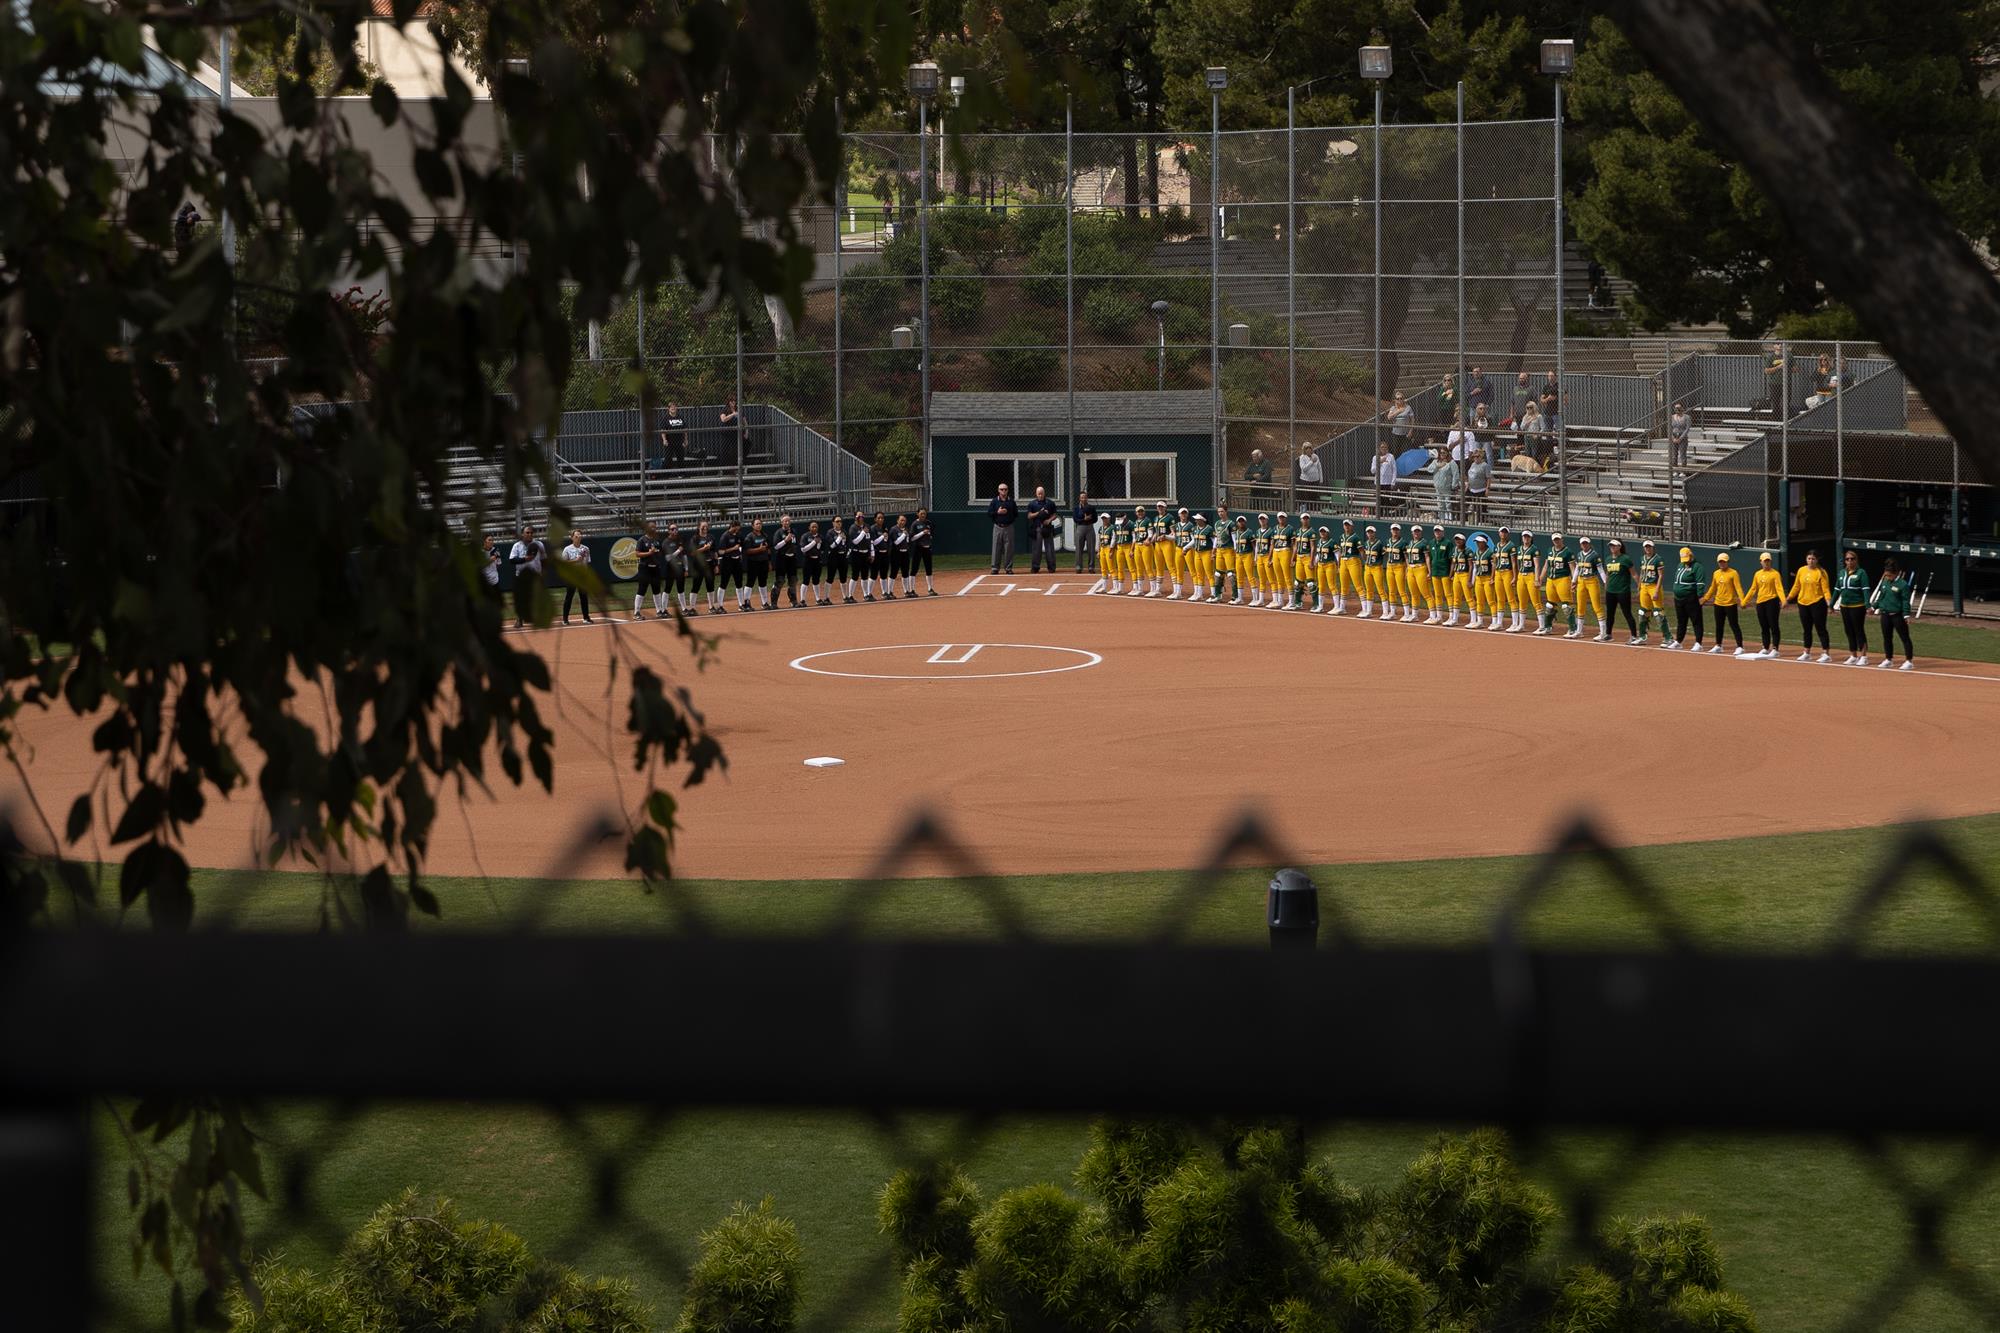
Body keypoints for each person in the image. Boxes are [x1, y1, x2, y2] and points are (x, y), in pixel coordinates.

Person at [1787, 549, 1831, 661]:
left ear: (1817, 560)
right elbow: (1796, 586)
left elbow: (1825, 590)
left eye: (1813, 559)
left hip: (1817, 603)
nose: (1811, 561)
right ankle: (1806, 652)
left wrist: (1829, 604)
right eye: (1809, 558)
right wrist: (1788, 599)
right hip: (1803, 603)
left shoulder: (1821, 572)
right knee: (1806, 629)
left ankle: (1825, 653)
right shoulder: (1801, 570)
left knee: (1820, 628)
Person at [1700, 550, 1748, 655]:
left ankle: (1740, 646)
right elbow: (1712, 588)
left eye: (1724, 562)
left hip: (1730, 603)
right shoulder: (1716, 573)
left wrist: (1742, 600)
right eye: (1720, 562)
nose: (1722, 564)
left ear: (1727, 562)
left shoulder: (1733, 573)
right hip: (1718, 603)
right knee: (1719, 625)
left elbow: (1738, 588)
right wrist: (1705, 598)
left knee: (1734, 624)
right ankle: (1718, 645)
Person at [1875, 559, 1916, 670]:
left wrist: (1906, 615)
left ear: (1895, 574)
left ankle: (1909, 661)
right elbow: (1881, 597)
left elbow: (1905, 601)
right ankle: (1888, 659)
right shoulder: (1885, 582)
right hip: (1885, 615)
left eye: (1889, 575)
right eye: (1886, 575)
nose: (1887, 577)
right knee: (1887, 638)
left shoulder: (1902, 585)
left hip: (1897, 616)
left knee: (1904, 638)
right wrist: (1874, 606)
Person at [1834, 549, 1871, 664]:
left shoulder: (1861, 573)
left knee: (1858, 630)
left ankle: (1863, 656)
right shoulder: (1841, 573)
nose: (1850, 561)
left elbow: (1865, 590)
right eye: (1847, 559)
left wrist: (1867, 605)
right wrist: (1831, 604)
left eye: (1852, 559)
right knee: (1848, 630)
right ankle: (1853, 655)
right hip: (1845, 606)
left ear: (1856, 560)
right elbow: (1837, 589)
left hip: (1857, 606)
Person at [1664, 546, 1705, 651]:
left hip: (1691, 598)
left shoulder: (1697, 567)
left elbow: (1700, 583)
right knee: (1681, 621)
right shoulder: (1680, 565)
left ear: (1691, 556)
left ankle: (1698, 643)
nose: (1686, 561)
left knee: (1696, 621)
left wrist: (1700, 596)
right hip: (1679, 599)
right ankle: (1678, 641)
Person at [1746, 550, 1785, 657]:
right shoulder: (1757, 574)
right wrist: (1745, 600)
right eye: (1764, 561)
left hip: (1772, 601)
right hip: (1760, 602)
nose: (1766, 563)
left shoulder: (1775, 574)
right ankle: (1765, 647)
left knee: (1773, 625)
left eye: (1768, 561)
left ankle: (1775, 648)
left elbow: (1779, 588)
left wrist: (1783, 600)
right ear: (1761, 562)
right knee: (1764, 626)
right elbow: (1753, 589)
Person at [1535, 532, 1573, 636]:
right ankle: (1548, 627)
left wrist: (1574, 581)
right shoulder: (1549, 551)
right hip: (1550, 580)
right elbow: (1546, 566)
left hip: (1563, 579)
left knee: (1566, 605)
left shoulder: (1567, 552)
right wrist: (1540, 578)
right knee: (1549, 605)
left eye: (1558, 539)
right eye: (1555, 539)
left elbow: (1572, 568)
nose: (1557, 541)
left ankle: (1572, 628)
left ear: (1562, 539)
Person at [508, 524, 546, 629]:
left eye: (531, 533)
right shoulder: (517, 545)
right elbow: (511, 560)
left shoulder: (539, 544)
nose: (529, 534)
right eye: (527, 532)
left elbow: (543, 559)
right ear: (522, 534)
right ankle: (519, 619)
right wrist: (525, 559)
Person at [1602, 538, 1640, 643]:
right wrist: (1606, 584)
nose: (1612, 547)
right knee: (1610, 613)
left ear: (1619, 547)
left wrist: (1639, 586)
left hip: (1622, 591)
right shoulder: (1608, 559)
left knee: (1627, 613)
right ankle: (1608, 634)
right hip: (1611, 591)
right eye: (1611, 546)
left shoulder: (1625, 559)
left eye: (1614, 546)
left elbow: (1634, 574)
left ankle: (1633, 635)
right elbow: (1608, 574)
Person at [1572, 536, 1605, 640]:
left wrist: (1605, 582)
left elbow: (1600, 570)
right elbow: (1577, 568)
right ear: (1580, 544)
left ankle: (1603, 632)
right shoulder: (1579, 554)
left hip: (1592, 581)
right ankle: (1579, 631)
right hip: (1581, 581)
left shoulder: (1595, 555)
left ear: (1589, 544)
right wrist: (1574, 580)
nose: (1584, 545)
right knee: (1580, 606)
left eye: (1586, 543)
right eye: (1583, 543)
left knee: (1597, 607)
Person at [558, 529, 594, 624]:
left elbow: (587, 562)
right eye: (576, 536)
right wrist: (575, 560)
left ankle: (586, 618)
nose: (578, 537)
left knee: (584, 597)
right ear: (572, 538)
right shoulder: (567, 549)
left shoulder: (586, 549)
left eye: (580, 535)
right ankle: (565, 619)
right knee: (569, 597)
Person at [1634, 538, 1665, 644]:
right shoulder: (1642, 558)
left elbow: (1661, 575)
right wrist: (1639, 586)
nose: (1648, 549)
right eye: (1646, 547)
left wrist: (1656, 591)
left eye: (1649, 547)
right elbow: (1642, 572)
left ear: (1653, 548)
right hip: (1644, 586)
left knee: (1658, 612)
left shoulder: (1658, 559)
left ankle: (1667, 637)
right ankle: (1642, 636)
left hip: (1653, 586)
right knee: (1643, 612)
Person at [1509, 529, 1538, 633]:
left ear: (1531, 538)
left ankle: (1542, 625)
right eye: (1524, 537)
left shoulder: (1534, 549)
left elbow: (1537, 565)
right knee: (1522, 601)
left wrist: (1537, 579)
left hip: (1530, 575)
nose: (1526, 538)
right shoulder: (1519, 549)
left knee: (1536, 602)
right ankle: (1521, 625)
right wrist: (1515, 577)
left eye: (1528, 537)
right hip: (1521, 575)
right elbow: (1517, 565)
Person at [633, 520, 664, 619]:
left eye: (655, 527)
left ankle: (659, 611)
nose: (654, 529)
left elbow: (660, 552)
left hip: (655, 568)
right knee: (642, 589)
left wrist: (657, 552)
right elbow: (637, 554)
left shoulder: (657, 540)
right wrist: (649, 553)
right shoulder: (642, 540)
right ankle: (636, 612)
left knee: (657, 590)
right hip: (644, 568)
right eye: (651, 527)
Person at [1488, 526, 1517, 633]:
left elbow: (1514, 563)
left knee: (1511, 598)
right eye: (1502, 532)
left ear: (1507, 534)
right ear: (1499, 533)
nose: (1503, 534)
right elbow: (1494, 562)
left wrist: (1514, 577)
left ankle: (1515, 623)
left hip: (1507, 572)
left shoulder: (1511, 546)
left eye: (1505, 532)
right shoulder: (1496, 546)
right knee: (1500, 598)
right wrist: (1492, 577)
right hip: (1498, 573)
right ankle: (1499, 623)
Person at [1026, 485, 1059, 573]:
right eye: (1039, 494)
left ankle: (1051, 567)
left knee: (1049, 549)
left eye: (1042, 493)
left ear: (1044, 493)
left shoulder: (1050, 503)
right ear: (1036, 494)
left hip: (1047, 528)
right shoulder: (1032, 504)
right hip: (1037, 528)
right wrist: (1038, 513)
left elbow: (1055, 515)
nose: (1040, 495)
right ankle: (1035, 567)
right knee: (1036, 549)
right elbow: (1029, 516)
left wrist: (1049, 520)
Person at [715, 519, 745, 613]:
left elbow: (742, 544)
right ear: (732, 526)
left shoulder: (739, 535)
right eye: (737, 528)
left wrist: (740, 550)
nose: (738, 530)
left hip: (737, 561)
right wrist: (733, 548)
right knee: (724, 583)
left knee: (739, 583)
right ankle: (720, 606)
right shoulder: (725, 536)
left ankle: (741, 605)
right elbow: (720, 551)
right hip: (727, 561)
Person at [987, 482, 1018, 575]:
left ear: (1008, 490)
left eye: (1005, 489)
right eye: (1001, 489)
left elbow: (1016, 514)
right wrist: (998, 512)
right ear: (998, 490)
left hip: (1008, 526)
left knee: (1009, 548)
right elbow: (989, 513)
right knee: (996, 547)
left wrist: (1007, 514)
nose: (1003, 491)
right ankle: (995, 568)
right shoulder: (994, 501)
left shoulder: (1011, 501)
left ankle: (1008, 568)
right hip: (997, 526)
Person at [1469, 533, 1498, 629]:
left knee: (1491, 601)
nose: (1478, 544)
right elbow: (1474, 568)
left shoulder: (1490, 553)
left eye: (1479, 542)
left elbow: (1494, 566)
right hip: (1479, 579)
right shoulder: (1476, 553)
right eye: (1477, 542)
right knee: (1479, 601)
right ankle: (1480, 621)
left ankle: (1495, 621)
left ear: (1484, 542)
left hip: (1487, 578)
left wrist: (1492, 578)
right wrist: (1472, 581)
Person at [1361, 524, 1390, 619]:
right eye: (1368, 532)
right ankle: (1368, 611)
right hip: (1368, 568)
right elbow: (1364, 554)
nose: (1370, 534)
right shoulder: (1366, 543)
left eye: (1371, 532)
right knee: (1369, 590)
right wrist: (1365, 562)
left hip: (1377, 568)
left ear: (1374, 533)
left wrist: (1384, 564)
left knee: (1380, 589)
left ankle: (1385, 612)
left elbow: (1385, 554)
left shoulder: (1379, 544)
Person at [1402, 524, 1430, 623]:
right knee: (1413, 594)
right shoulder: (1410, 543)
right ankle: (1414, 615)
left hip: (1420, 568)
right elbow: (1407, 557)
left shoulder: (1424, 543)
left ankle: (1433, 615)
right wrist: (1407, 569)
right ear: (1412, 533)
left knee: (1426, 593)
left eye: (1418, 531)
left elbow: (1427, 557)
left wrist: (1429, 570)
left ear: (1421, 532)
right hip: (1411, 569)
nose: (1416, 533)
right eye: (1415, 531)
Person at [772, 515, 802, 608]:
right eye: (785, 521)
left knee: (793, 580)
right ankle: (773, 603)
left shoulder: (794, 532)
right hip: (781, 559)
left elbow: (796, 544)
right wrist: (785, 540)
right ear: (781, 522)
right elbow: (776, 546)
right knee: (780, 581)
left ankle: (793, 601)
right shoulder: (779, 532)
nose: (787, 523)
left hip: (792, 559)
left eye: (788, 521)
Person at [743, 519, 772, 610]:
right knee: (750, 582)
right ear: (753, 526)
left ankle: (765, 603)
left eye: (760, 523)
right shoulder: (749, 537)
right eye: (757, 524)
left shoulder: (765, 535)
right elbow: (747, 551)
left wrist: (769, 562)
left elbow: (768, 550)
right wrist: (759, 550)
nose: (759, 525)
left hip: (763, 561)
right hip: (753, 562)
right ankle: (746, 603)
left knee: (763, 582)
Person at [690, 520, 718, 614]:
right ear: (699, 527)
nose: (705, 528)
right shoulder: (695, 538)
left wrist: (716, 565)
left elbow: (715, 552)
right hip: (698, 565)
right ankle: (692, 608)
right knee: (696, 586)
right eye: (703, 526)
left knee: (710, 585)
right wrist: (703, 549)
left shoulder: (711, 537)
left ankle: (711, 607)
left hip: (710, 564)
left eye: (706, 526)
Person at [1187, 512, 1214, 604]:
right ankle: (1199, 594)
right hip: (1197, 553)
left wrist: (1213, 552)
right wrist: (1186, 548)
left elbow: (1215, 540)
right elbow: (1194, 541)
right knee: (1199, 574)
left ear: (1203, 520)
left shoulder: (1209, 529)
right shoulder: (1194, 529)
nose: (1196, 520)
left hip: (1206, 552)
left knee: (1209, 574)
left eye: (1198, 519)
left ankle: (1213, 594)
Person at [1250, 512, 1275, 607]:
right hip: (1260, 556)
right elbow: (1256, 546)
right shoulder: (1257, 531)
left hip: (1266, 556)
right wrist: (1255, 558)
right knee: (1261, 579)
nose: (1262, 521)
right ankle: (1261, 599)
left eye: (1263, 519)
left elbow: (1272, 545)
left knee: (1271, 579)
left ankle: (1275, 599)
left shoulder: (1270, 531)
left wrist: (1270, 558)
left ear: (1267, 520)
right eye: (1260, 519)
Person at [825, 514, 850, 604]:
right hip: (833, 557)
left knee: (843, 577)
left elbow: (848, 544)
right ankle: (826, 598)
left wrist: (847, 553)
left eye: (840, 521)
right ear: (833, 523)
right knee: (830, 577)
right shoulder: (830, 533)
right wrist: (839, 538)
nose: (839, 523)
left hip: (842, 556)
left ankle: (845, 597)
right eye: (837, 521)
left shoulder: (844, 532)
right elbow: (832, 545)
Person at [1431, 448, 1461, 522]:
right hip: (1438, 487)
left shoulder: (1451, 463)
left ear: (1447, 453)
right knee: (1440, 504)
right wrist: (1438, 466)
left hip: (1447, 487)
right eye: (1441, 453)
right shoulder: (1435, 462)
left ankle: (1450, 518)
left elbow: (1456, 475)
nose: (1442, 454)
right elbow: (1429, 469)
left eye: (1444, 453)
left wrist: (1454, 485)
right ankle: (1442, 518)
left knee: (1448, 503)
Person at [912, 508, 937, 596]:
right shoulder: (915, 524)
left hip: (927, 548)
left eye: (924, 513)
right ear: (917, 514)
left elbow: (932, 533)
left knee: (929, 568)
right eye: (921, 513)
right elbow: (912, 538)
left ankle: (930, 589)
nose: (923, 515)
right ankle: (912, 590)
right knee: (914, 568)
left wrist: (930, 536)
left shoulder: (929, 523)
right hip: (918, 548)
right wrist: (923, 532)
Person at [1228, 514, 1252, 604]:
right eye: (1239, 521)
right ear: (1237, 523)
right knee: (1239, 577)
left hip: (1247, 555)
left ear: (1245, 522)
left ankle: (1255, 598)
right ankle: (1240, 598)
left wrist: (1255, 558)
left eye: (1242, 521)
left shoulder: (1249, 532)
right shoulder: (1236, 533)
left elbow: (1254, 545)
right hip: (1238, 555)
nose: (1241, 523)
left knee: (1250, 577)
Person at [801, 519, 826, 605]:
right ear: (809, 528)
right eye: (813, 526)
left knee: (816, 580)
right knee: (806, 580)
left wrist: (818, 549)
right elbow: (803, 549)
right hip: (808, 560)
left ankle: (818, 599)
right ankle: (802, 600)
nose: (814, 528)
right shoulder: (805, 536)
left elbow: (822, 549)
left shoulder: (821, 537)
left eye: (816, 526)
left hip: (817, 560)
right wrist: (814, 542)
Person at [1073, 492, 1099, 573]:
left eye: (1085, 497)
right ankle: (1078, 567)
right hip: (1080, 527)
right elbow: (1075, 519)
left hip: (1089, 527)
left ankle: (1091, 567)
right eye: (1082, 497)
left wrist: (1089, 519)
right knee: (1078, 548)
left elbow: (1095, 519)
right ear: (1079, 498)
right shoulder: (1076, 508)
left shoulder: (1091, 507)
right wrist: (1084, 519)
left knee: (1091, 548)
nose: (1083, 499)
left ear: (1087, 498)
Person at [869, 512, 893, 600]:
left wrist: (888, 549)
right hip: (876, 553)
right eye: (879, 518)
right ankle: (868, 593)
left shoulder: (885, 528)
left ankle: (884, 592)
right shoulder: (872, 528)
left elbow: (888, 540)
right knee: (874, 574)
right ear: (875, 519)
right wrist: (882, 536)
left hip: (885, 553)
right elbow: (874, 542)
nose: (881, 520)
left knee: (884, 573)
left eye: (882, 518)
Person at [887, 513, 911, 598]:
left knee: (905, 572)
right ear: (897, 520)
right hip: (896, 553)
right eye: (901, 520)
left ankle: (907, 591)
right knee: (894, 572)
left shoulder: (906, 529)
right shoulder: (894, 529)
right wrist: (904, 534)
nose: (903, 522)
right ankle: (889, 592)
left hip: (905, 553)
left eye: (904, 520)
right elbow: (896, 542)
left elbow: (908, 542)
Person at [658, 403, 688, 468]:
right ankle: (666, 474)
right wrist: (664, 440)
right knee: (668, 459)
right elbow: (663, 430)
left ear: (676, 408)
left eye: (674, 407)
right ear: (668, 409)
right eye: (671, 407)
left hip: (679, 442)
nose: (673, 408)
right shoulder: (665, 418)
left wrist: (685, 439)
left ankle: (682, 474)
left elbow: (685, 429)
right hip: (670, 442)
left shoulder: (680, 417)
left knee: (681, 458)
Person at [1465, 447, 1491, 523]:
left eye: (1477, 456)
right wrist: (1467, 484)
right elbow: (1470, 475)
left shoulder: (1485, 465)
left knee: (1481, 508)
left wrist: (1487, 489)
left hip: (1481, 490)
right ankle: (1467, 519)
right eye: (1474, 456)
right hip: (1471, 489)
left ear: (1481, 456)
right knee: (1464, 503)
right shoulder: (1473, 464)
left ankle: (1481, 521)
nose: (1475, 458)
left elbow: (1488, 478)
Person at [1373, 440, 1398, 513]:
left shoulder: (1391, 456)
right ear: (1379, 448)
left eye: (1385, 447)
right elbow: (1373, 470)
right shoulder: (1375, 457)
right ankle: (1379, 513)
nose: (1384, 449)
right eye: (1382, 447)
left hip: (1387, 482)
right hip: (1379, 482)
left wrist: (1393, 482)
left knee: (1386, 498)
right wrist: (1380, 462)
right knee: (1379, 498)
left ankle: (1387, 513)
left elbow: (1394, 470)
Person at [718, 397, 744, 463]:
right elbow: (723, 419)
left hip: (735, 433)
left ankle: (736, 466)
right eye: (732, 401)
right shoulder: (725, 409)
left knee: (735, 450)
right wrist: (733, 414)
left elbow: (744, 420)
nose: (733, 402)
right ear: (729, 402)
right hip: (726, 433)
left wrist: (746, 431)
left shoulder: (737, 409)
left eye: (734, 401)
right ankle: (724, 467)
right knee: (725, 449)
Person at [1667, 402, 1691, 468]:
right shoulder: (1672, 417)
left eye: (1679, 408)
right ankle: (1675, 470)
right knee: (1674, 455)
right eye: (1676, 408)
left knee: (1682, 454)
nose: (1677, 409)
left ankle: (1683, 470)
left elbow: (1687, 428)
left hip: (1682, 436)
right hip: (1674, 436)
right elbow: (1669, 428)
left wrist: (1681, 438)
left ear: (1682, 408)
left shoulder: (1687, 417)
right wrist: (1672, 437)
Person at [480, 534, 502, 600]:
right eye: (489, 540)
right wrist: (489, 560)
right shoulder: (480, 552)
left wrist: (493, 573)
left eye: (492, 540)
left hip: (494, 580)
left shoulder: (496, 550)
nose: (491, 542)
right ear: (484, 541)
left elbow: (498, 564)